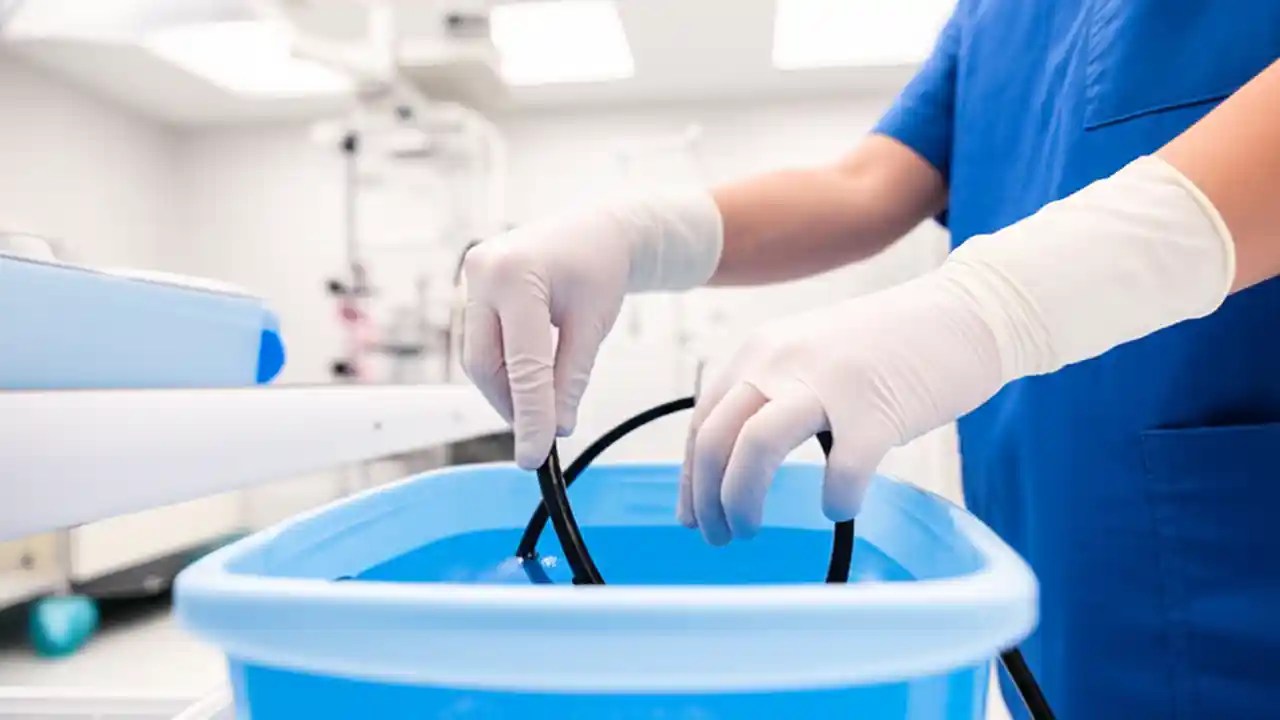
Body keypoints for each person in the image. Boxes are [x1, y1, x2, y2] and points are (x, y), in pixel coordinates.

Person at [461, 3, 1280, 716]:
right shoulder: (995, 15)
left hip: (1238, 566)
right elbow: (866, 186)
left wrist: (989, 308)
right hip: (1060, 550)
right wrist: (641, 236)